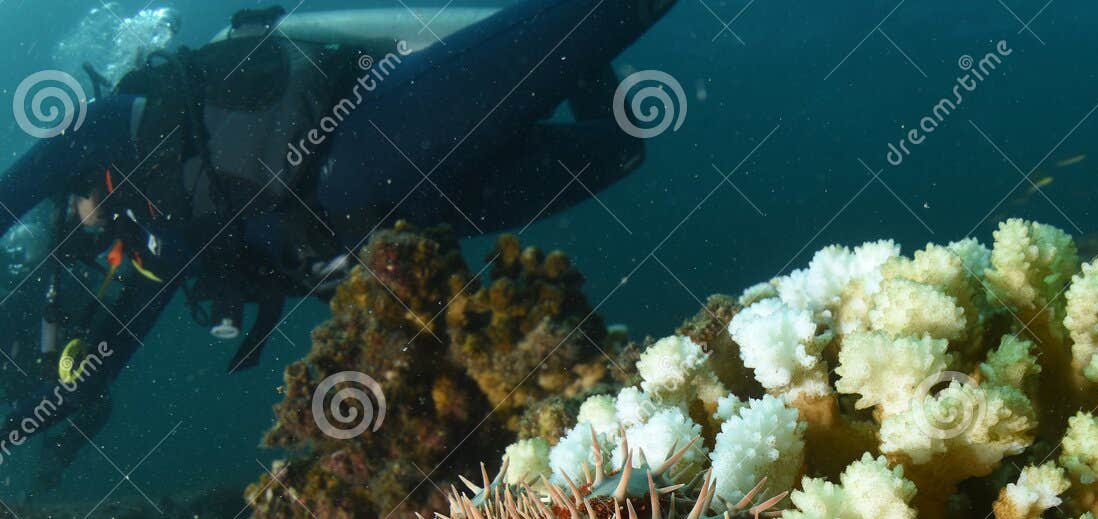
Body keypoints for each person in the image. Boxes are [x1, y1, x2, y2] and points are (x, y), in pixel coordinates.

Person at [0, 0, 676, 489]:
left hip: (369, 137)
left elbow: (10, 194)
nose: (92, 240)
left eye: (75, 226)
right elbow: (100, 369)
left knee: (604, 18)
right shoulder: (152, 257)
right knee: (618, 146)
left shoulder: (102, 129)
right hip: (412, 217)